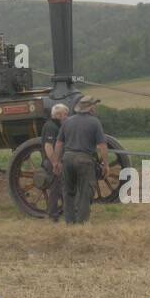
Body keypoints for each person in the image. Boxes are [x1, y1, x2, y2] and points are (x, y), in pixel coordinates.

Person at [56, 95, 109, 225]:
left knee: (68, 192)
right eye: (94, 105)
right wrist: (106, 165)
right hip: (84, 160)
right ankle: (81, 223)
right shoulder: (94, 122)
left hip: (67, 159)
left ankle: (69, 222)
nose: (95, 107)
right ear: (90, 108)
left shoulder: (67, 121)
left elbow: (59, 143)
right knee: (86, 192)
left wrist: (56, 161)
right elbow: (102, 146)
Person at [42, 104, 69, 222]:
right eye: (65, 114)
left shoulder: (55, 125)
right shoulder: (51, 126)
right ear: (58, 115)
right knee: (55, 189)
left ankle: (66, 210)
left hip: (55, 161)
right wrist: (55, 163)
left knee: (60, 187)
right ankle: (53, 214)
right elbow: (48, 146)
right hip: (52, 162)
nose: (67, 117)